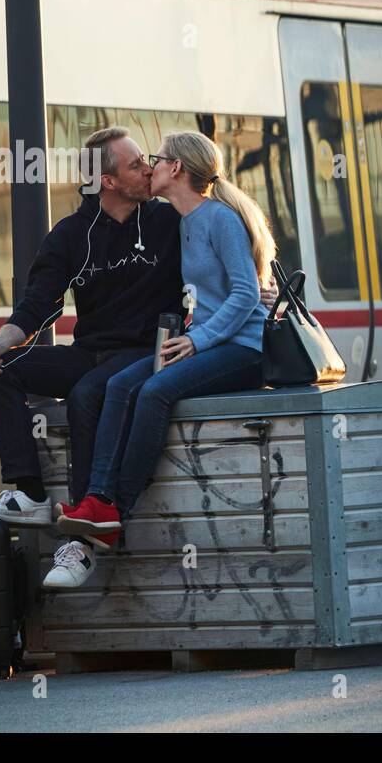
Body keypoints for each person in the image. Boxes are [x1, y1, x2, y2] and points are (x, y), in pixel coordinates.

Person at [44, 130, 277, 588]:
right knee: (118, 385)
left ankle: (118, 507)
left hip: (242, 349)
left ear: (177, 168)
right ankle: (97, 499)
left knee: (154, 391)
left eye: (158, 158)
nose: (151, 166)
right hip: (208, 342)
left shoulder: (220, 218)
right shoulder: (184, 222)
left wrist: (197, 340)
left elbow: (246, 294)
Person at [0, 127, 186, 533]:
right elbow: (37, 305)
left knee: (87, 394)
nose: (148, 170)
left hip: (145, 352)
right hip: (90, 354)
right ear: (108, 181)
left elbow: (215, 259)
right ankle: (31, 495)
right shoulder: (70, 234)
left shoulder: (168, 221)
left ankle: (85, 520)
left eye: (145, 161)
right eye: (136, 165)